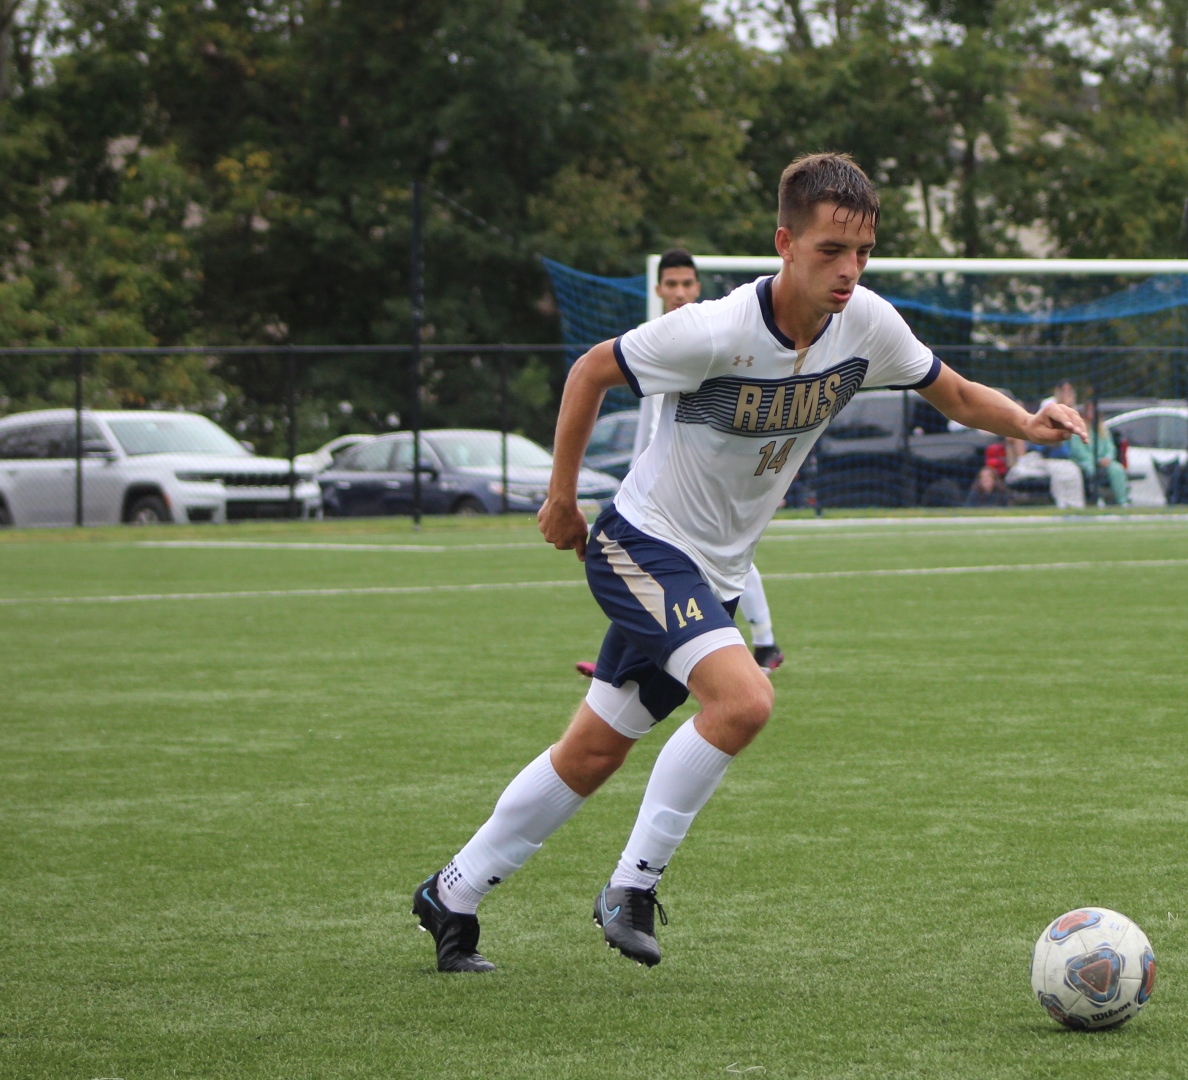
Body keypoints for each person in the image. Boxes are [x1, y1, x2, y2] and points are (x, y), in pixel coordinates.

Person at [412, 152, 1086, 974]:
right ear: (784, 242)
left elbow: (953, 392)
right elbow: (591, 371)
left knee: (593, 750)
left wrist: (1031, 421)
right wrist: (561, 499)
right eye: (830, 251)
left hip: (714, 577)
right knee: (746, 701)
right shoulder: (717, 329)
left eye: (863, 253)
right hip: (640, 544)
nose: (849, 271)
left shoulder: (867, 325)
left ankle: (453, 892)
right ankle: (632, 885)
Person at [574, 249, 785, 673]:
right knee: (649, 568)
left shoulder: (715, 336)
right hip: (662, 494)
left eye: (687, 284)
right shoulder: (656, 340)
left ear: (698, 288)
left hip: (709, 493)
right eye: (671, 284)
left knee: (717, 565)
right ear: (658, 289)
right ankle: (624, 664)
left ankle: (762, 645)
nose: (680, 292)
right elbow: (648, 423)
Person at [1067, 405, 1128, 506]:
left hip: (1104, 461)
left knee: (1117, 469)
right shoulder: (1078, 430)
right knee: (1092, 470)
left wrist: (1108, 458)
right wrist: (1095, 460)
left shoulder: (1103, 430)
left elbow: (1110, 447)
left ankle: (1123, 501)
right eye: (1089, 411)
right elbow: (1078, 450)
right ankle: (1097, 499)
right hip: (1085, 461)